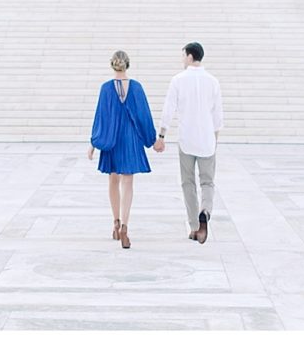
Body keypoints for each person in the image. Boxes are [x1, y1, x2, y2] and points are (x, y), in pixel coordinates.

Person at [154, 40, 225, 243]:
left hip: (186, 139)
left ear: (190, 56)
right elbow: (218, 115)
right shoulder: (213, 81)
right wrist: (215, 139)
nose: (182, 59)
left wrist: (161, 135)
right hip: (207, 139)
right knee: (208, 181)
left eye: (183, 55)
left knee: (188, 183)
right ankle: (206, 211)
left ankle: (194, 226)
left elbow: (169, 109)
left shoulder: (178, 79)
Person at [89, 49, 155, 249]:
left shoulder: (106, 89)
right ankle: (126, 225)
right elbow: (144, 115)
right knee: (128, 182)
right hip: (130, 139)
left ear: (112, 65)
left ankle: (115, 223)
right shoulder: (136, 87)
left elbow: (101, 117)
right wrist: (153, 139)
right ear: (128, 64)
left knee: (113, 180)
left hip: (112, 137)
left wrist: (93, 143)